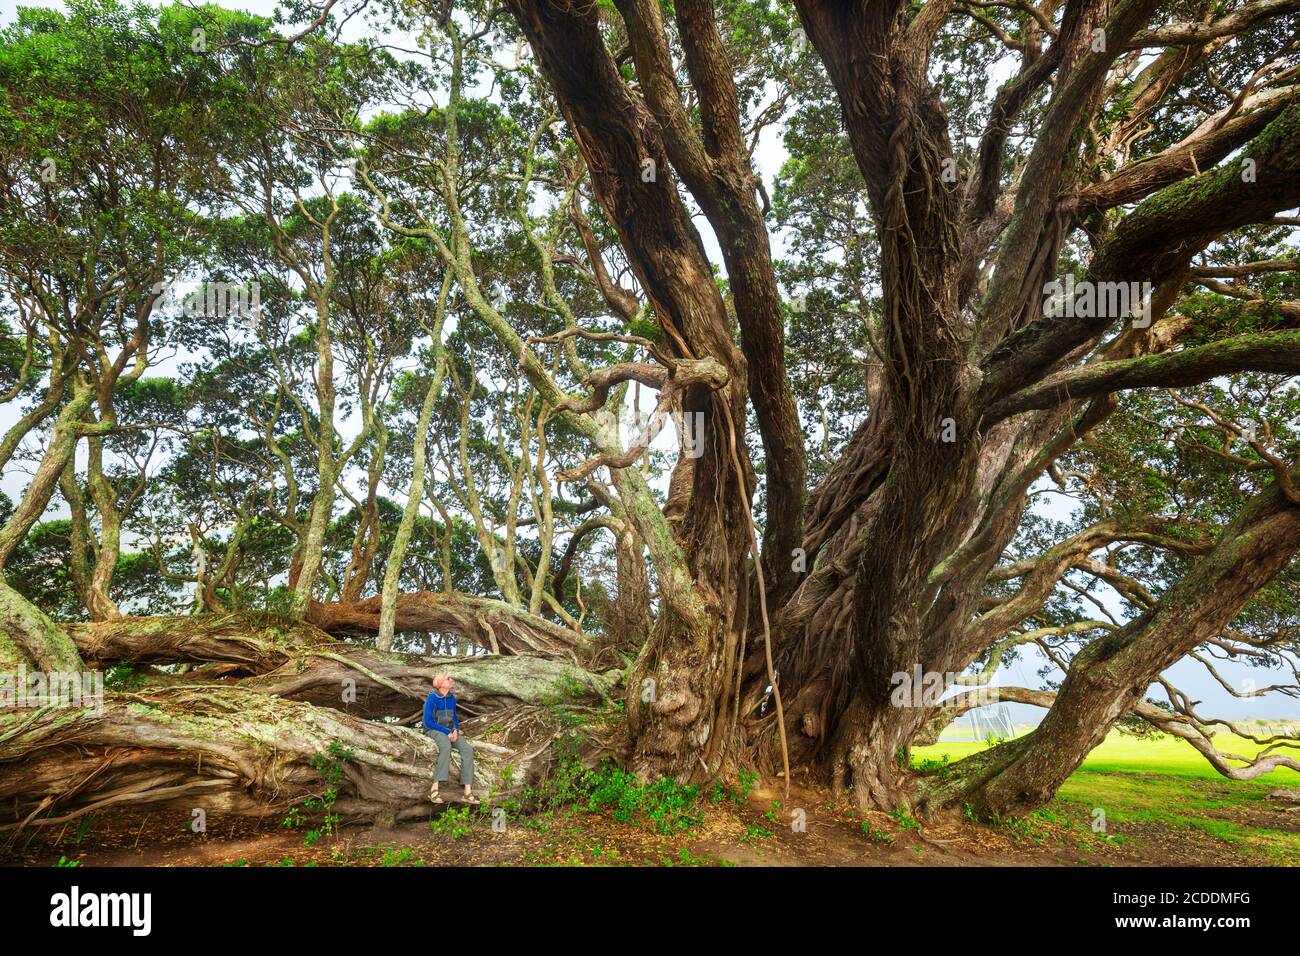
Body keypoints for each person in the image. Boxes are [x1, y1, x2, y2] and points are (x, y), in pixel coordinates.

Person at [423, 673, 478, 804]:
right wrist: (447, 732)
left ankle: (467, 791)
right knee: (446, 746)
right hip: (433, 730)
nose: (451, 680)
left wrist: (455, 730)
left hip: (449, 731)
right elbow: (428, 721)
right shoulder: (432, 698)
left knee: (467, 749)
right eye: (448, 679)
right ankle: (434, 789)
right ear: (441, 683)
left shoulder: (451, 697)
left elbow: (454, 718)